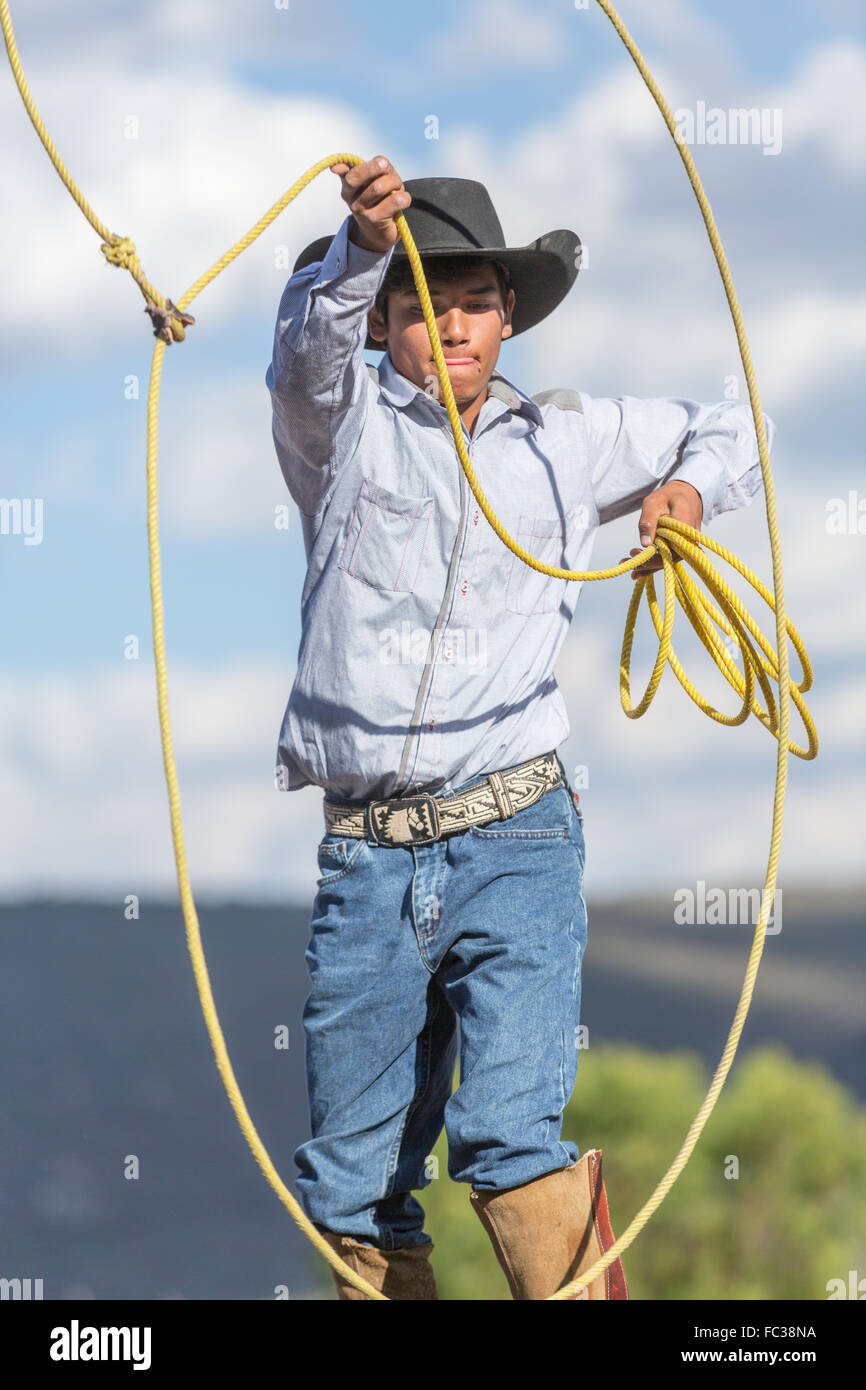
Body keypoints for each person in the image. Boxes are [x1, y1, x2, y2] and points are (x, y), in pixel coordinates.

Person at [265, 156, 774, 1300]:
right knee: (352, 1181)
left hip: (518, 834)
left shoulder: (568, 438)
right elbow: (302, 357)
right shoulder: (336, 429)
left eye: (473, 300)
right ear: (382, 320)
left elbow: (735, 424)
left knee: (508, 1138)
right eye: (417, 301)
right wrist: (353, 248)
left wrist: (684, 493)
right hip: (370, 851)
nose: (449, 322)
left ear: (505, 315)